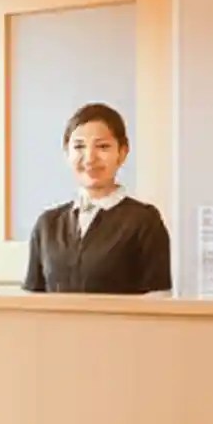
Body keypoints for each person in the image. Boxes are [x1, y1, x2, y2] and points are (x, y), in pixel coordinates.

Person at [22, 102, 171, 295]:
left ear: (122, 152)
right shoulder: (47, 224)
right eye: (79, 146)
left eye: (102, 146)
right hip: (57, 326)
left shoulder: (144, 221)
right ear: (67, 153)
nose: (90, 158)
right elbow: (32, 302)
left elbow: (158, 300)